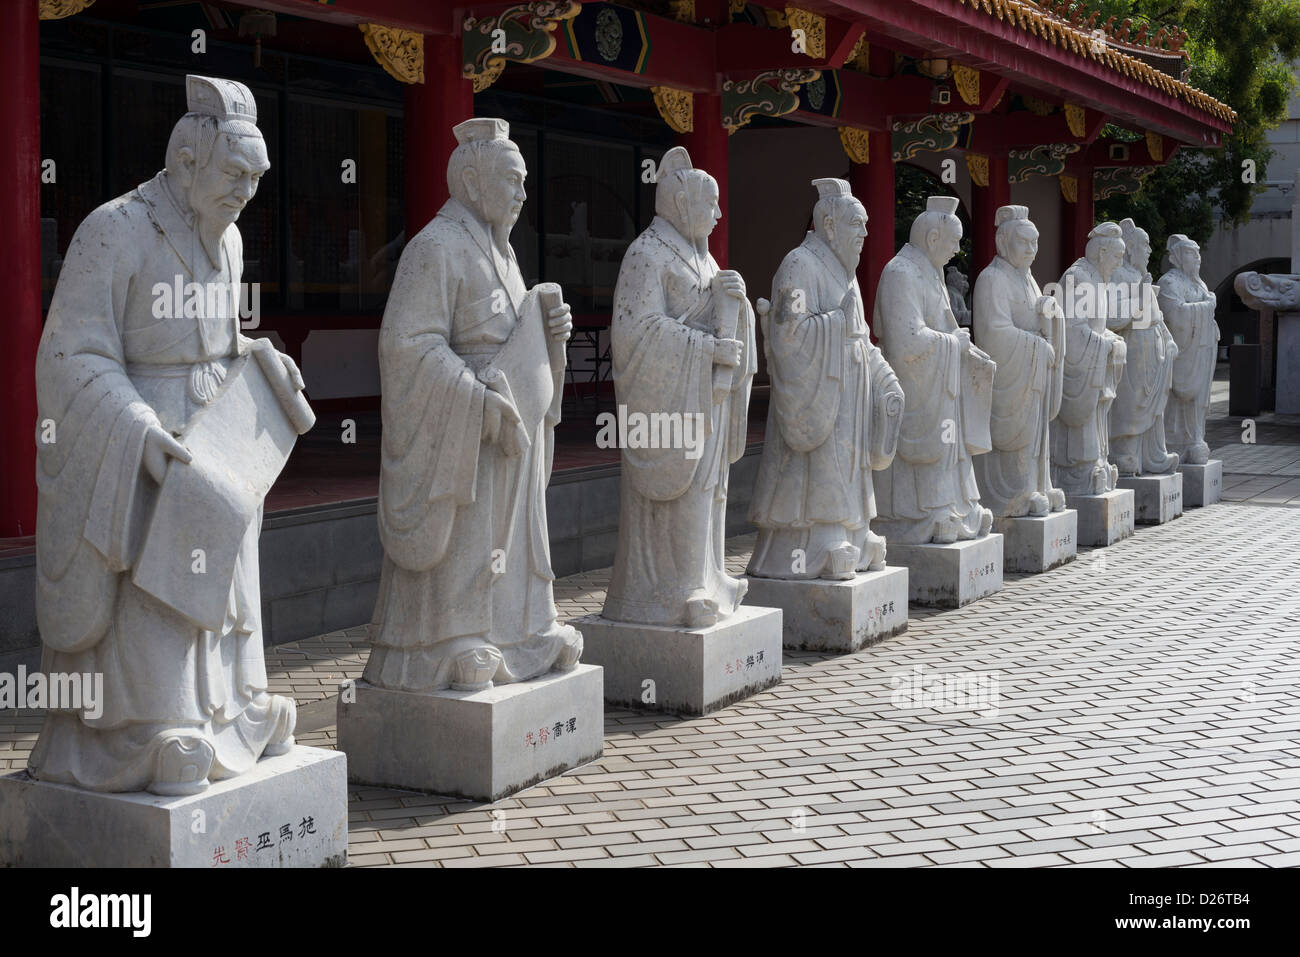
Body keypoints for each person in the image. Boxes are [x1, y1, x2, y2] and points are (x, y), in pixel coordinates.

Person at [29, 76, 303, 795]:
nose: (245, 192)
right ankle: (144, 729)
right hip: (144, 438)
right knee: (155, 587)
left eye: (254, 178)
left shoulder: (230, 238)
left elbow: (216, 341)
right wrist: (135, 429)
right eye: (233, 174)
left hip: (217, 442)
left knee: (225, 584)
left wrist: (255, 354)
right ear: (187, 161)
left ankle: (229, 712)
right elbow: (70, 356)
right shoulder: (114, 229)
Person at [365, 117, 582, 694]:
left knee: (513, 535)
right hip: (467, 423)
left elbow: (515, 336)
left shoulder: (505, 256)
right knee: (468, 527)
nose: (521, 193)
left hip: (512, 425)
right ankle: (446, 639)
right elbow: (406, 345)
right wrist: (471, 394)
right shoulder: (434, 248)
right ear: (471, 179)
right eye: (511, 180)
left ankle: (519, 630)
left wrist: (550, 330)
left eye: (524, 181)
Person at [602, 147, 757, 628]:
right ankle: (675, 587)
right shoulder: (646, 254)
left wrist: (736, 306)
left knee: (710, 489)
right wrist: (706, 347)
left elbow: (717, 320)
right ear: (683, 203)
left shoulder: (701, 257)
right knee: (685, 489)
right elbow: (635, 333)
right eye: (709, 204)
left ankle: (707, 575)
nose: (717, 214)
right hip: (669, 400)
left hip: (703, 395)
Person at [747, 178, 902, 580]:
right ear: (830, 226)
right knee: (822, 464)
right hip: (817, 392)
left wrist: (884, 377)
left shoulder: (845, 274)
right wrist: (836, 325)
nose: (866, 233)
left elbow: (863, 338)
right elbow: (787, 333)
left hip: (849, 392)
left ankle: (853, 528)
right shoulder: (799, 265)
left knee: (849, 461)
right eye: (858, 225)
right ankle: (814, 546)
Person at [873, 196, 995, 545]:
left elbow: (946, 328)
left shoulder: (931, 273)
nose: (958, 249)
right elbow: (905, 341)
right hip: (915, 383)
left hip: (940, 381)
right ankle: (921, 514)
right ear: (931, 239)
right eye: (954, 241)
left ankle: (955, 506)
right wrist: (953, 344)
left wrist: (969, 352)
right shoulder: (901, 272)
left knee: (950, 443)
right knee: (933, 444)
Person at [971, 205, 1066, 517]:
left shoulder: (1026, 278)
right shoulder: (992, 279)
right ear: (1003, 243)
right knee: (1020, 435)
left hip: (1032, 373)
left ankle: (1037, 484)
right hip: (1012, 376)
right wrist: (1037, 346)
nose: (1031, 249)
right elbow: (993, 333)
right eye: (1024, 242)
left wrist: (1048, 309)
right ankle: (1016, 493)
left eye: (1035, 242)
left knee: (1038, 433)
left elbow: (1033, 316)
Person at [1051, 222, 1128, 495]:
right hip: (1080, 367)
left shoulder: (1096, 278)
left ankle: (1096, 463)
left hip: (1094, 363)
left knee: (1096, 421)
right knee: (1080, 427)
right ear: (1101, 252)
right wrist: (1104, 343)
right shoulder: (1079, 278)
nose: (1119, 264)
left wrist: (1111, 339)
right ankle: (1077, 469)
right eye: (1117, 257)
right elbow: (1071, 330)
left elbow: (1093, 326)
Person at [1109, 218, 1178, 476]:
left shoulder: (1140, 276)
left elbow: (1157, 316)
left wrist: (1168, 339)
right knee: (1131, 401)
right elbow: (1112, 316)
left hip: (1153, 349)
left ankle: (1153, 453)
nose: (1149, 251)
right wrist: (1139, 296)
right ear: (1129, 248)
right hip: (1133, 346)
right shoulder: (1117, 274)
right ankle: (1125, 452)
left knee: (1154, 405)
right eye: (1145, 245)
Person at [1159, 234, 1219, 465]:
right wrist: (1207, 305)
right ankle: (1177, 443)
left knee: (1200, 399)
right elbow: (1176, 316)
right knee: (1179, 397)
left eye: (1197, 254)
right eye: (1190, 254)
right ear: (1177, 257)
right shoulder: (1169, 282)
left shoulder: (1198, 283)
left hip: (1203, 348)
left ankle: (1196, 438)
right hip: (1183, 353)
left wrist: (1205, 306)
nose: (1197, 259)